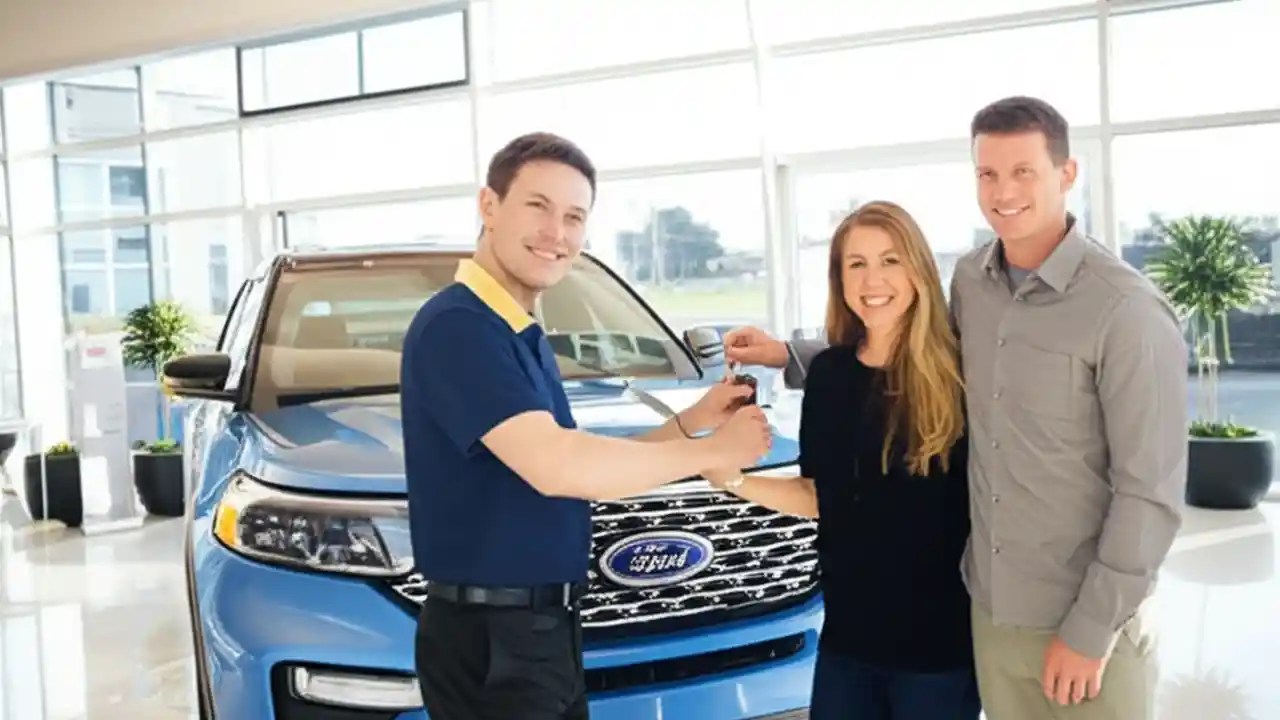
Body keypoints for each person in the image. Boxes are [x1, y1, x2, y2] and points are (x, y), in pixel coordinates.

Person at [725, 96, 1187, 720]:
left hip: (1087, 622)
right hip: (989, 615)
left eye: (1023, 170)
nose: (1004, 191)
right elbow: (909, 345)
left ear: (1066, 174)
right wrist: (790, 354)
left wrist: (1092, 628)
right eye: (987, 173)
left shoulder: (1126, 309)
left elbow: (1150, 494)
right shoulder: (974, 280)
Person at [400, 132, 772, 719]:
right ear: (489, 206)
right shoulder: (459, 327)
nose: (558, 233)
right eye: (538, 206)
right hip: (494, 642)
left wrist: (695, 422)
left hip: (540, 632)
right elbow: (559, 468)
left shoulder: (516, 327)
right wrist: (711, 454)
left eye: (574, 216)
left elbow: (575, 457)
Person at [706, 200, 979, 719]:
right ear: (840, 277)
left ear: (918, 268)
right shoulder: (829, 376)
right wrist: (731, 476)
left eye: (890, 260)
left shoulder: (962, 375)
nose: (872, 279)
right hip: (848, 643)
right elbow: (817, 497)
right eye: (856, 263)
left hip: (940, 650)